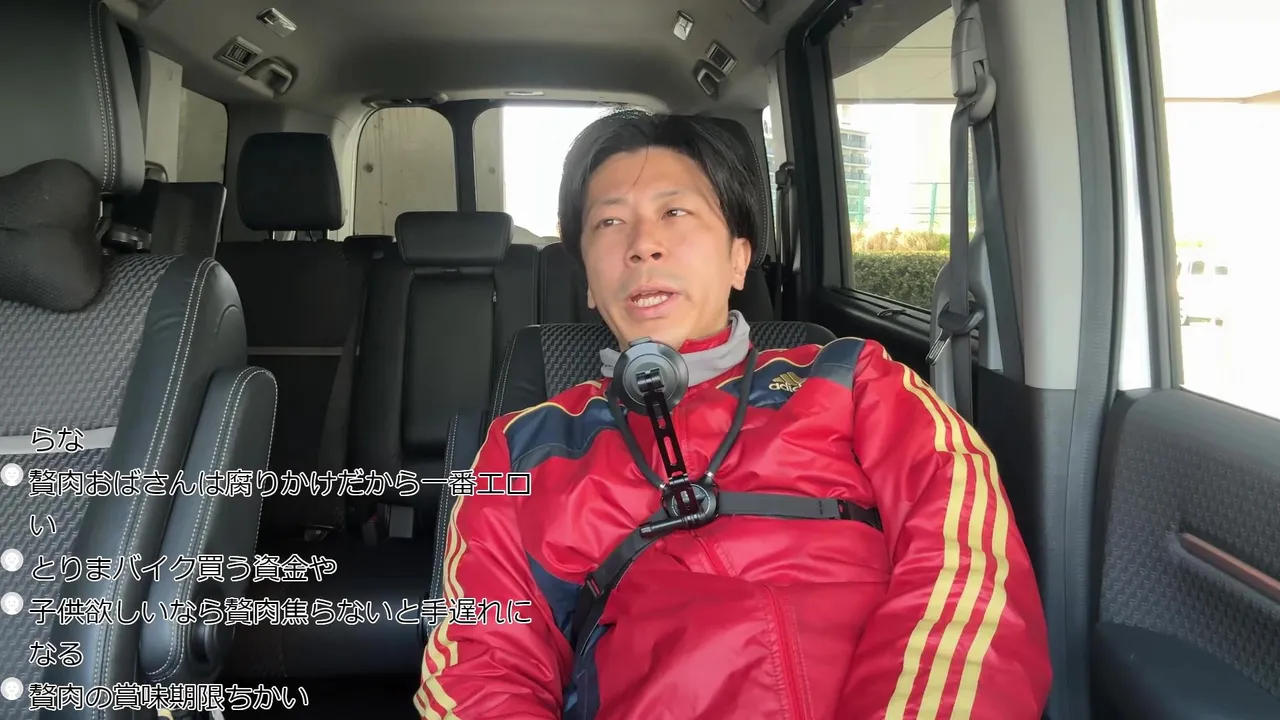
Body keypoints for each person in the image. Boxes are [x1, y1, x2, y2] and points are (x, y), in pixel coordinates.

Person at [414, 109, 1052, 719]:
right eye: (609, 222)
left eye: (675, 212)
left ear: (739, 257)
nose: (643, 246)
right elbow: (482, 667)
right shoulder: (523, 449)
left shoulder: (859, 381)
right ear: (587, 278)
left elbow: (968, 570)